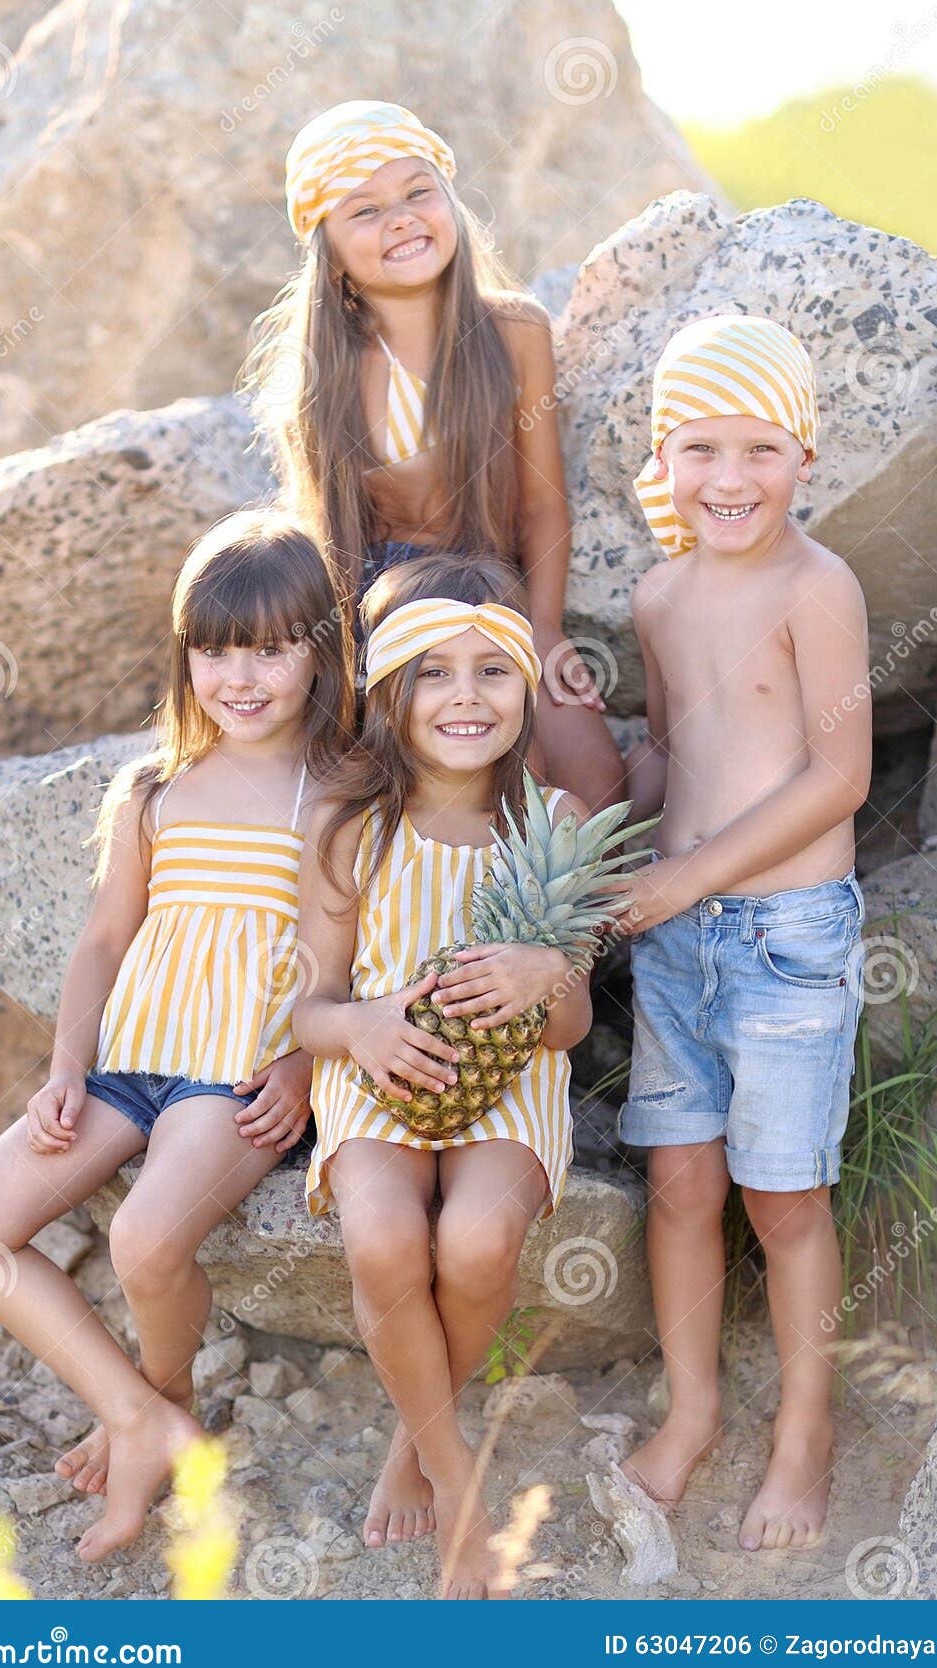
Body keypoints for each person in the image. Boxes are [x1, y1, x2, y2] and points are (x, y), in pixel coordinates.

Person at [0, 510, 352, 1563]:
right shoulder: (154, 791)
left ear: (319, 653)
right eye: (214, 650)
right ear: (184, 656)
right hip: (124, 1071)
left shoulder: (333, 794)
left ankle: (157, 1407)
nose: (238, 676)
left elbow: (339, 965)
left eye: (269, 648)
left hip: (235, 1077)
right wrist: (64, 1070)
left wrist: (302, 1064)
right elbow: (104, 940)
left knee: (146, 1239)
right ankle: (135, 1414)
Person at [614, 314, 871, 1550]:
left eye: (760, 448)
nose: (730, 478)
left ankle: (804, 1433)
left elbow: (837, 777)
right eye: (700, 447)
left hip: (785, 940)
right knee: (678, 1179)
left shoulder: (815, 589)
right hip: (671, 943)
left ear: (803, 457)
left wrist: (688, 879)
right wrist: (591, 816)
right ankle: (694, 1406)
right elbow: (669, 750)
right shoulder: (657, 595)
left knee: (781, 1197)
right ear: (661, 458)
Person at [293, 553, 594, 1598]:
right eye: (432, 672)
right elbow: (309, 1007)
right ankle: (455, 1473)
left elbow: (568, 1029)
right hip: (375, 1071)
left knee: (474, 1237)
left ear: (524, 689)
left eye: (492, 672)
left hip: (506, 1082)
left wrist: (545, 967)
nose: (464, 697)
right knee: (381, 1236)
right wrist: (365, 1026)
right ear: (389, 691)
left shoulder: (545, 825)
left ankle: (406, 1442)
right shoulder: (348, 826)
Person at [243, 97, 625, 812]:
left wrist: (543, 633)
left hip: (494, 591)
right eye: (364, 210)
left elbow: (543, 505)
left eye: (417, 192)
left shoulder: (513, 331)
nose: (400, 217)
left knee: (595, 780)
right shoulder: (322, 374)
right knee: (499, 772)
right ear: (328, 251)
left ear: (448, 201)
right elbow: (320, 540)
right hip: (382, 615)